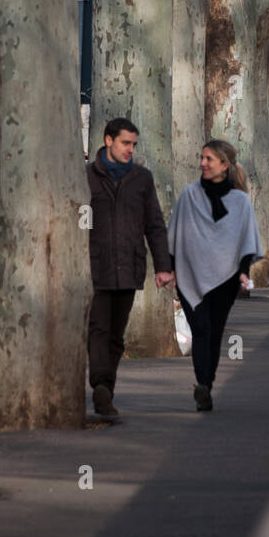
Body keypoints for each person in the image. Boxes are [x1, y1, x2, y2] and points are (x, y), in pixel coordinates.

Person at [86, 118, 174, 419]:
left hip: (129, 266)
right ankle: (100, 385)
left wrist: (163, 267)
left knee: (116, 335)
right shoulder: (86, 177)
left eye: (134, 144)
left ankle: (105, 391)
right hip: (94, 268)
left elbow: (155, 225)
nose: (130, 149)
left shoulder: (142, 178)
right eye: (125, 143)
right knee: (98, 328)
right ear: (108, 140)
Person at [167, 138, 262, 412]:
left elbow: (246, 240)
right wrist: (168, 268)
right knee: (201, 329)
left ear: (224, 164)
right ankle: (202, 384)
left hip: (226, 278)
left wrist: (244, 273)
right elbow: (174, 234)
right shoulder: (189, 195)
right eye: (202, 158)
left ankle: (207, 383)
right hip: (190, 276)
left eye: (209, 159)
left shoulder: (240, 202)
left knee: (215, 331)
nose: (203, 163)